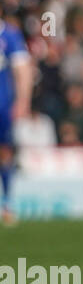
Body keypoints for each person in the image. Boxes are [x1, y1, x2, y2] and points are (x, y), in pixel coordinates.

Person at [0, 12, 34, 225]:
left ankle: (8, 204)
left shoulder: (9, 35)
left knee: (4, 152)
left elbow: (23, 69)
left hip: (2, 105)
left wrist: (23, 101)